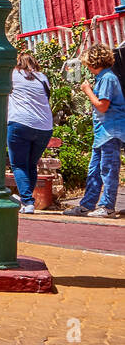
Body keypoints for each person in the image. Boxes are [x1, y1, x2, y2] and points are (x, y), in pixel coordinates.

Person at [64, 44, 125, 217]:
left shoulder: (107, 78)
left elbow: (102, 106)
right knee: (94, 170)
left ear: (93, 62)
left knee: (108, 170)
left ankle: (107, 207)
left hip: (110, 132)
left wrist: (87, 91)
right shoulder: (103, 78)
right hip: (102, 133)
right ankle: (87, 204)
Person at [7, 50, 54, 214]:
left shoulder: (12, 74)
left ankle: (27, 202)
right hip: (44, 126)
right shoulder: (43, 77)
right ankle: (28, 200)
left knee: (19, 164)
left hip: (20, 122)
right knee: (31, 164)